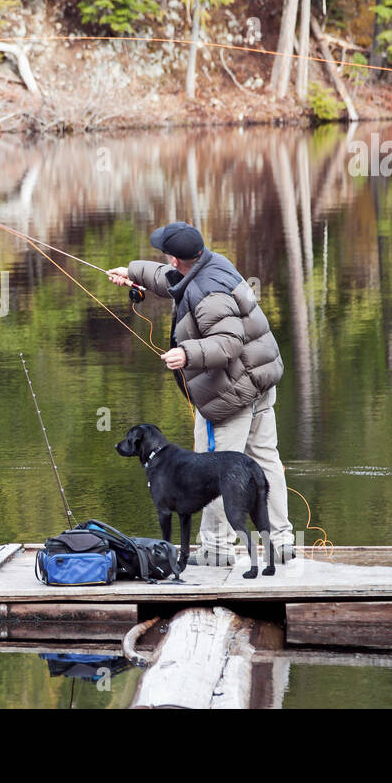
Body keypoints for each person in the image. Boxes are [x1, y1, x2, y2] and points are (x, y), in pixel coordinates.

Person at [107, 222, 295, 566]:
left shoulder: (208, 296)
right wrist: (132, 272)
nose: (165, 258)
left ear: (177, 258)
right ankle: (280, 544)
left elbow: (228, 342)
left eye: (166, 253)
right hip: (259, 381)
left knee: (215, 470)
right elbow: (171, 279)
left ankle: (216, 550)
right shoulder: (212, 264)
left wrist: (188, 354)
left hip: (230, 394)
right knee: (265, 461)